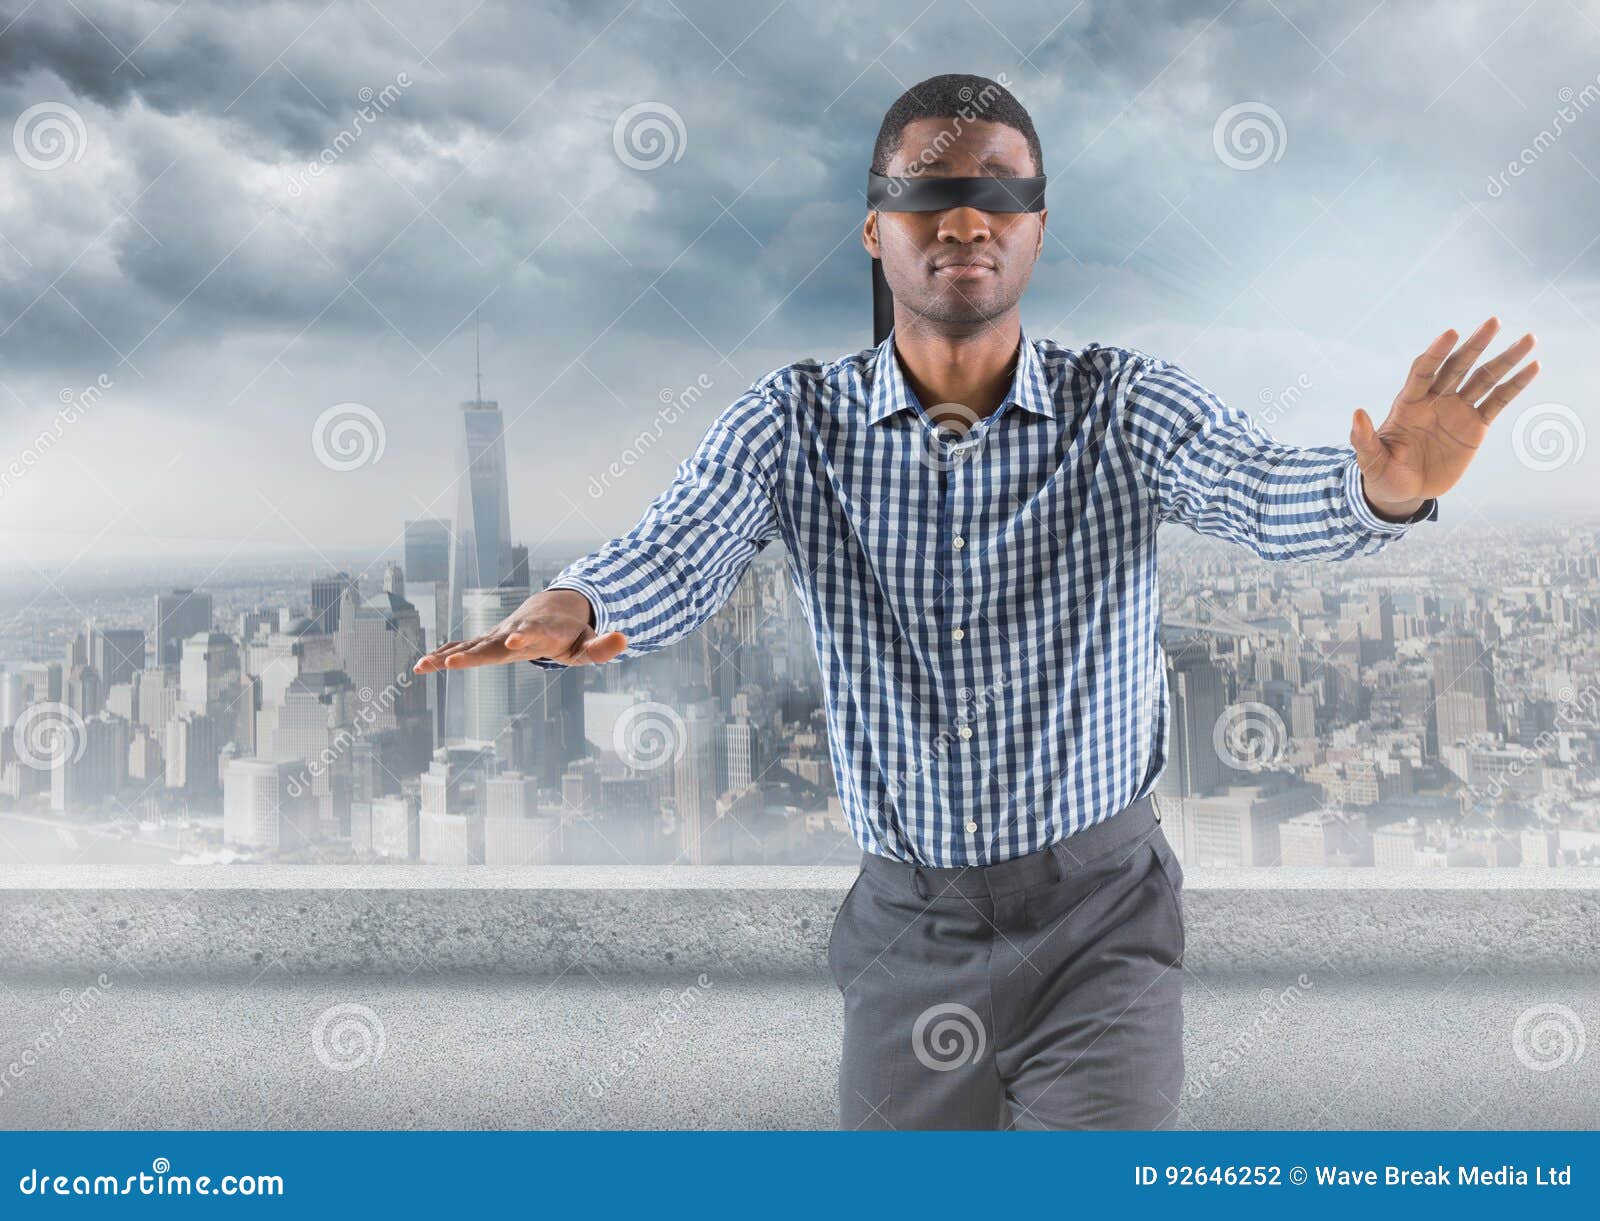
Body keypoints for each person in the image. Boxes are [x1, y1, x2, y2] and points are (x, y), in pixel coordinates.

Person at [414, 74, 1539, 1130]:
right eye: (928, 197)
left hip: (1100, 922)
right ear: (875, 230)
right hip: (907, 931)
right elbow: (680, 543)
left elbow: (1253, 487)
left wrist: (1378, 491)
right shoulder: (792, 421)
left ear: (1038, 229)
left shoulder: (1122, 405)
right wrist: (573, 603)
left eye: (1001, 195)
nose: (965, 223)